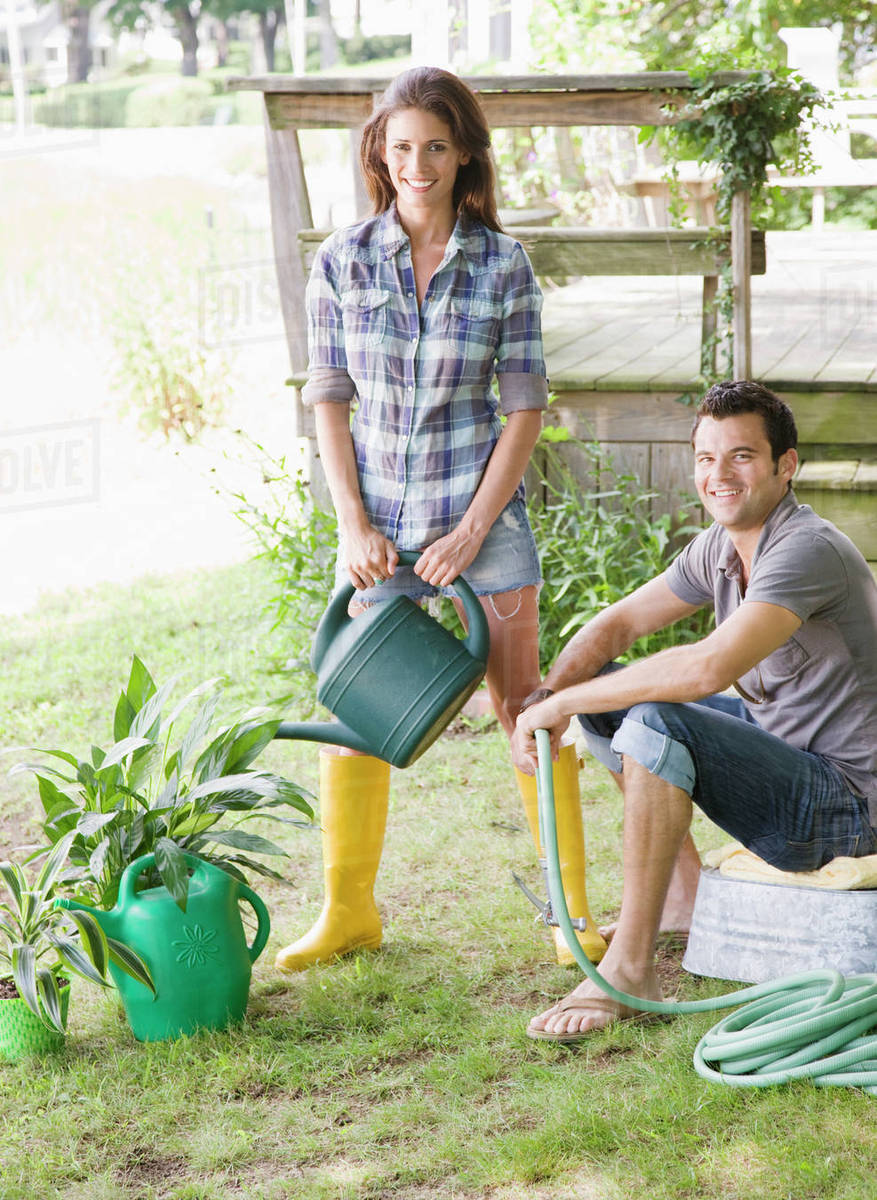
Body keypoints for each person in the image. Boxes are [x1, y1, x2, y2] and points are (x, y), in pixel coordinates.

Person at [275, 66, 605, 973]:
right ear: (379, 151)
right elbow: (329, 398)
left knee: (522, 708)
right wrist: (351, 524)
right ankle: (348, 912)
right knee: (355, 700)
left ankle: (567, 915)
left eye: (436, 146)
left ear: (464, 155)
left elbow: (524, 410)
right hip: (376, 526)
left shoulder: (503, 265)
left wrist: (469, 531)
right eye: (401, 145)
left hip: (482, 524)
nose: (416, 163)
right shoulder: (341, 260)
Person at [512, 379, 877, 1042]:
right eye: (706, 459)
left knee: (655, 717)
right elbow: (614, 626)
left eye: (740, 456)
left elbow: (708, 667)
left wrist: (563, 701)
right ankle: (679, 899)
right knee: (614, 697)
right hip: (794, 758)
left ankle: (628, 973)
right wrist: (549, 699)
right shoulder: (722, 545)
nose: (719, 475)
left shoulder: (804, 550)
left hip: (848, 805)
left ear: (783, 466)